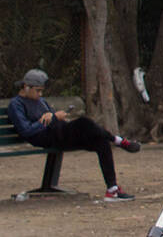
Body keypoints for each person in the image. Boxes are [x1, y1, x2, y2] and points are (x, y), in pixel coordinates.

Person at [8, 69, 140, 201]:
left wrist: (57, 117)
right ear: (26, 87)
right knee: (84, 122)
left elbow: (51, 117)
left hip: (59, 132)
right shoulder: (16, 104)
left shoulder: (40, 101)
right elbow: (26, 130)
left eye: (41, 91)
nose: (40, 94)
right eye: (37, 90)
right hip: (45, 137)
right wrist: (52, 118)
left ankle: (113, 190)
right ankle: (118, 141)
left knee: (101, 142)